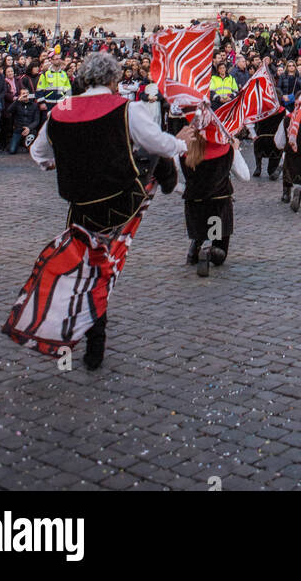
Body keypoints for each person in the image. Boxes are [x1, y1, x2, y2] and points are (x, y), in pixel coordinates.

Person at [29, 52, 187, 368]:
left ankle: (84, 340)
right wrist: (182, 144)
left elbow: (38, 152)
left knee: (84, 272)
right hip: (120, 204)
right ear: (114, 81)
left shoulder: (63, 108)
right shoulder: (125, 108)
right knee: (101, 274)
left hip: (80, 208)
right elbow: (156, 142)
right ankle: (94, 344)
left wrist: (57, 163)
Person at [179, 116, 249, 275]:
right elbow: (244, 176)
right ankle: (208, 252)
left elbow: (175, 182)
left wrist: (189, 190)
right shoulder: (225, 150)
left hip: (194, 206)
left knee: (201, 231)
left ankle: (194, 248)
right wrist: (236, 150)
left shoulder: (184, 152)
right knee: (219, 249)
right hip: (217, 206)